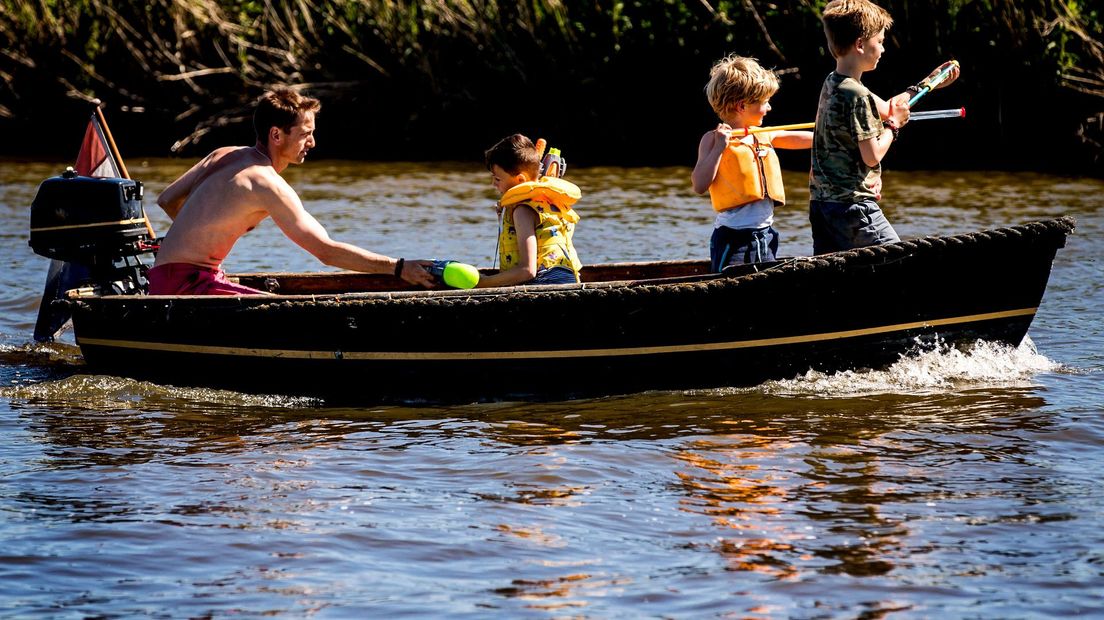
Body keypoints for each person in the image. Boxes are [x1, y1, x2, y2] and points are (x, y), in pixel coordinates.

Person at [149, 87, 434, 295]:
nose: (312, 142)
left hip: (161, 279)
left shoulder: (224, 154)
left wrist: (202, 231)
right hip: (185, 288)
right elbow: (325, 251)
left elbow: (167, 200)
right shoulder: (266, 183)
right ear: (276, 135)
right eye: (305, 134)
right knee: (280, 307)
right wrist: (398, 267)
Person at [809, 0, 959, 254]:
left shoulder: (833, 83)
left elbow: (890, 106)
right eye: (879, 42)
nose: (883, 49)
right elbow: (872, 155)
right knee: (900, 259)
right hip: (853, 208)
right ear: (860, 45)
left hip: (822, 207)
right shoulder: (857, 95)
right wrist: (894, 126)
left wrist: (926, 85)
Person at [691, 54, 813, 271]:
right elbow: (699, 185)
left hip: (765, 234)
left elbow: (797, 138)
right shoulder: (712, 139)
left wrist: (830, 135)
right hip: (733, 237)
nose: (769, 108)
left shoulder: (764, 134)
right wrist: (720, 147)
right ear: (742, 106)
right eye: (764, 102)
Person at [477, 133, 583, 288]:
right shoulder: (547, 201)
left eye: (497, 179)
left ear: (520, 180)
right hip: (566, 280)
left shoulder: (523, 211)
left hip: (546, 283)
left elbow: (527, 271)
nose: (493, 184)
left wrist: (483, 283)